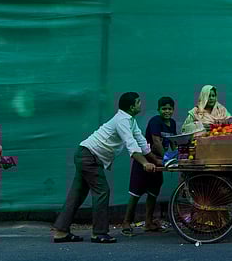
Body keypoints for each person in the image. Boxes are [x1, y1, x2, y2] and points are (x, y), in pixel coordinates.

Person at [51, 92, 162, 244]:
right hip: (89, 157)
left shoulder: (130, 121)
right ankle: (99, 233)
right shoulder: (122, 120)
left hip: (86, 155)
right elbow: (132, 145)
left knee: (77, 194)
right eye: (138, 102)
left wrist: (157, 161)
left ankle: (61, 231)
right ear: (131, 106)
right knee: (102, 191)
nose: (140, 104)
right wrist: (144, 163)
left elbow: (141, 142)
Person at [180, 85, 232, 226]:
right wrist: (201, 127)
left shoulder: (221, 110)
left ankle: (223, 219)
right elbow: (185, 130)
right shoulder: (195, 112)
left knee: (228, 179)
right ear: (203, 96)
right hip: (202, 154)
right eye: (209, 95)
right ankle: (204, 220)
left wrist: (224, 123)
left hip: (222, 152)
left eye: (214, 95)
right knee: (205, 186)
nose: (212, 98)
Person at [121, 96, 177, 235]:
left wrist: (178, 154)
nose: (167, 111)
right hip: (145, 160)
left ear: (173, 110)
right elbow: (156, 142)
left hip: (158, 162)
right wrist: (166, 157)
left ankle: (148, 223)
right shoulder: (155, 121)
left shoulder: (173, 123)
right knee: (136, 193)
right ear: (158, 110)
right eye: (164, 109)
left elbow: (174, 142)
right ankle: (126, 223)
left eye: (170, 109)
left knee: (153, 192)